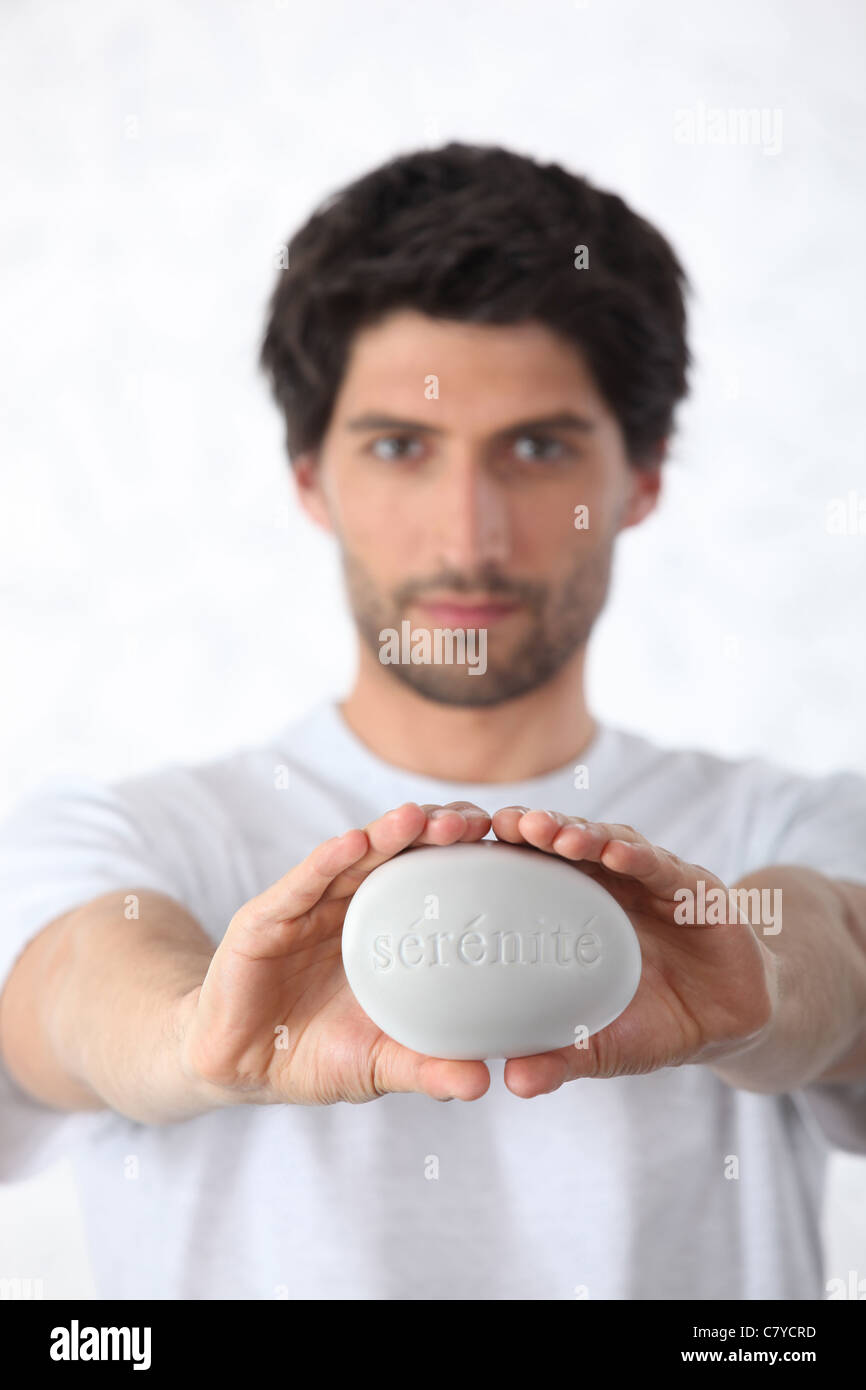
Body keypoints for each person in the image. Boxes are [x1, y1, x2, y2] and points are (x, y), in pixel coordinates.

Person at [1, 142, 865, 1302]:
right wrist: (192, 1032)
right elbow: (66, 988)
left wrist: (757, 987)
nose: (470, 536)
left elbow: (835, 945)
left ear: (643, 474)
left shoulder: (790, 821)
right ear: (311, 477)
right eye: (400, 447)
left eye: (537, 447)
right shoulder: (131, 838)